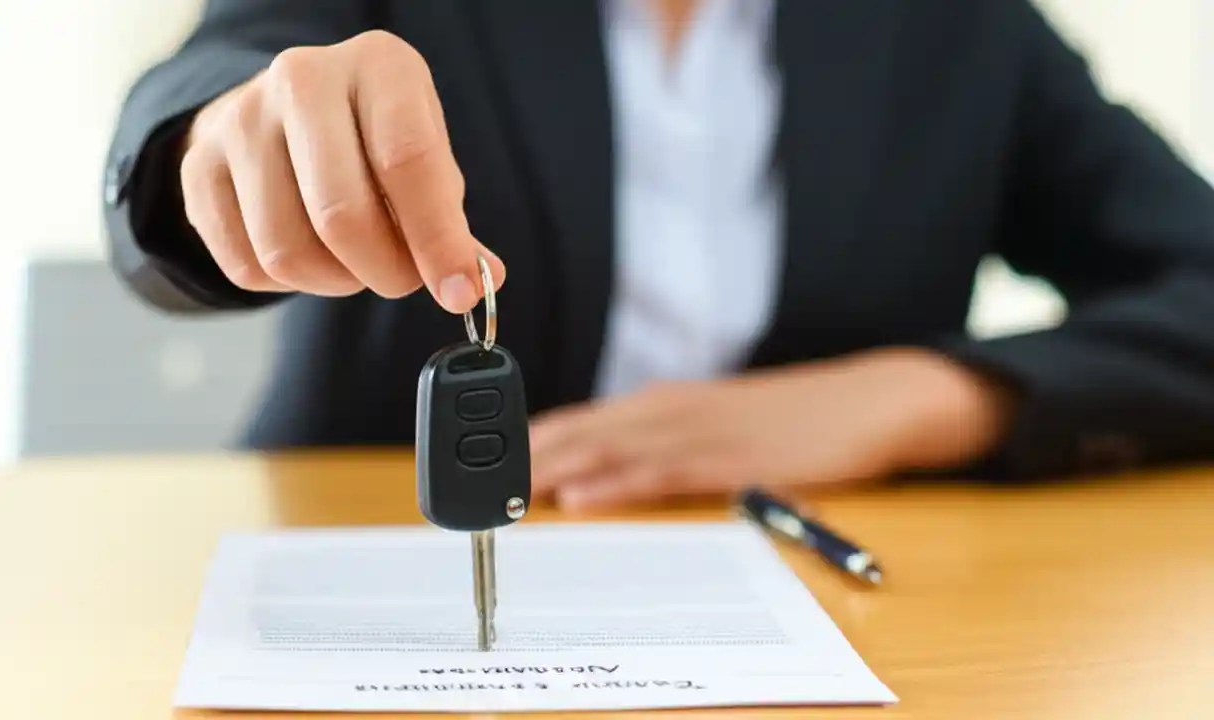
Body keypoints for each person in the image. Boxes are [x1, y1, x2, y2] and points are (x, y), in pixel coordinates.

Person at [105, 0, 1214, 510]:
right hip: (377, 567)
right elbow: (221, 81)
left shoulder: (957, 28)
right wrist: (215, 140)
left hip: (829, 591)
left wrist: (926, 396)